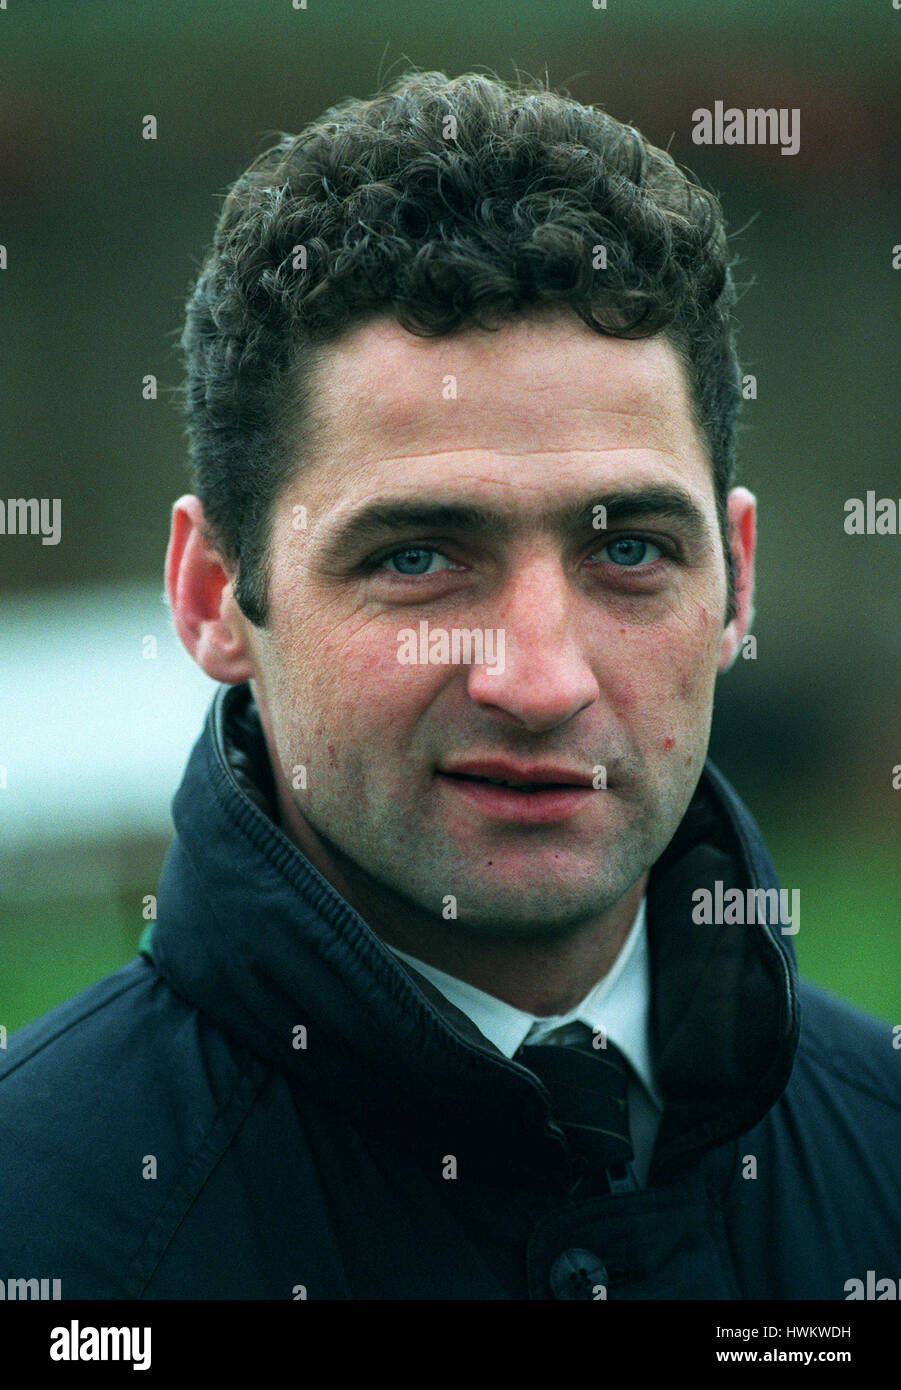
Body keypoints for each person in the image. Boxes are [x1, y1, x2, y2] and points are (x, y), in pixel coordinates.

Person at [2, 70, 899, 1301]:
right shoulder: (41, 1226)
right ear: (214, 597)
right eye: (417, 557)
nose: (539, 680)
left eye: (627, 549)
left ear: (735, 580)